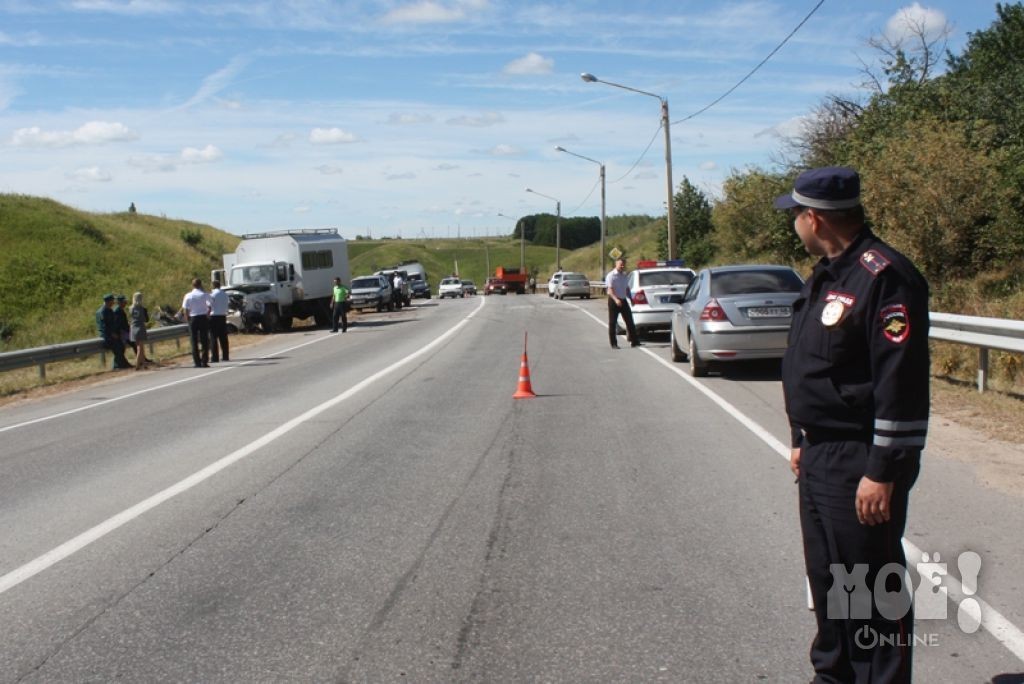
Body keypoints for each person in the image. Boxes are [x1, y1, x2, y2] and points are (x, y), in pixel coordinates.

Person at [775, 167, 930, 684]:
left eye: (796, 214)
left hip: (860, 459)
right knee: (827, 577)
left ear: (814, 218)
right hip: (821, 455)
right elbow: (812, 364)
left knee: (870, 586)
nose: (794, 223)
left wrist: (883, 470)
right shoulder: (828, 272)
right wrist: (801, 438)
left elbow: (899, 382)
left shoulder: (884, 275)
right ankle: (835, 674)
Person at [605, 258, 640, 349]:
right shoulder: (611, 275)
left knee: (629, 321)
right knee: (612, 323)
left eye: (623, 264)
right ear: (616, 264)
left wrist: (631, 299)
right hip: (614, 301)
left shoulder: (624, 275)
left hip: (623, 300)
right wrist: (616, 300)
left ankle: (634, 341)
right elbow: (610, 290)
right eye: (620, 264)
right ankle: (614, 344)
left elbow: (627, 288)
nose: (622, 266)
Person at [181, 278, 212, 368]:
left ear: (192, 285)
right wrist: (208, 313)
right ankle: (204, 361)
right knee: (204, 340)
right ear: (200, 285)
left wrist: (187, 319)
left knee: (193, 341)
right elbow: (210, 304)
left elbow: (185, 309)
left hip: (193, 318)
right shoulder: (204, 294)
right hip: (203, 317)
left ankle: (197, 362)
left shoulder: (188, 295)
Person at [95, 293, 130, 369]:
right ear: (108, 301)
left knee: (121, 346)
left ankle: (121, 365)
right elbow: (103, 326)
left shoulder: (109, 310)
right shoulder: (102, 312)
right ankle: (119, 365)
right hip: (107, 336)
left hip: (112, 334)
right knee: (118, 347)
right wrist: (112, 334)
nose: (114, 302)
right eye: (112, 300)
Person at [209, 279, 230, 362]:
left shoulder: (212, 295)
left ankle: (215, 357)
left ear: (213, 285)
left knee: (213, 337)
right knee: (223, 337)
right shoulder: (225, 294)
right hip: (222, 316)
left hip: (214, 316)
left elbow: (209, 305)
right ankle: (225, 356)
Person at [129, 291, 150, 370]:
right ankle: (137, 365)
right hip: (140, 328)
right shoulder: (143, 309)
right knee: (140, 348)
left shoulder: (130, 308)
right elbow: (146, 320)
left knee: (140, 347)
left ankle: (144, 364)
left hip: (133, 328)